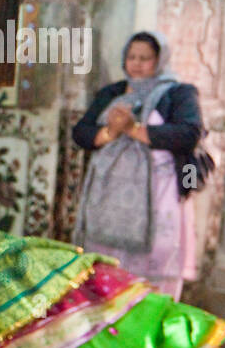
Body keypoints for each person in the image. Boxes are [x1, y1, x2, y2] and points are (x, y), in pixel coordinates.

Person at [72, 30, 204, 301]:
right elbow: (81, 133)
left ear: (160, 60)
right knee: (105, 272)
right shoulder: (113, 92)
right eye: (131, 56)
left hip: (160, 194)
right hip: (108, 198)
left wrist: (133, 129)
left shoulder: (178, 93)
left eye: (145, 58)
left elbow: (190, 134)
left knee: (152, 276)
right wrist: (111, 131)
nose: (137, 63)